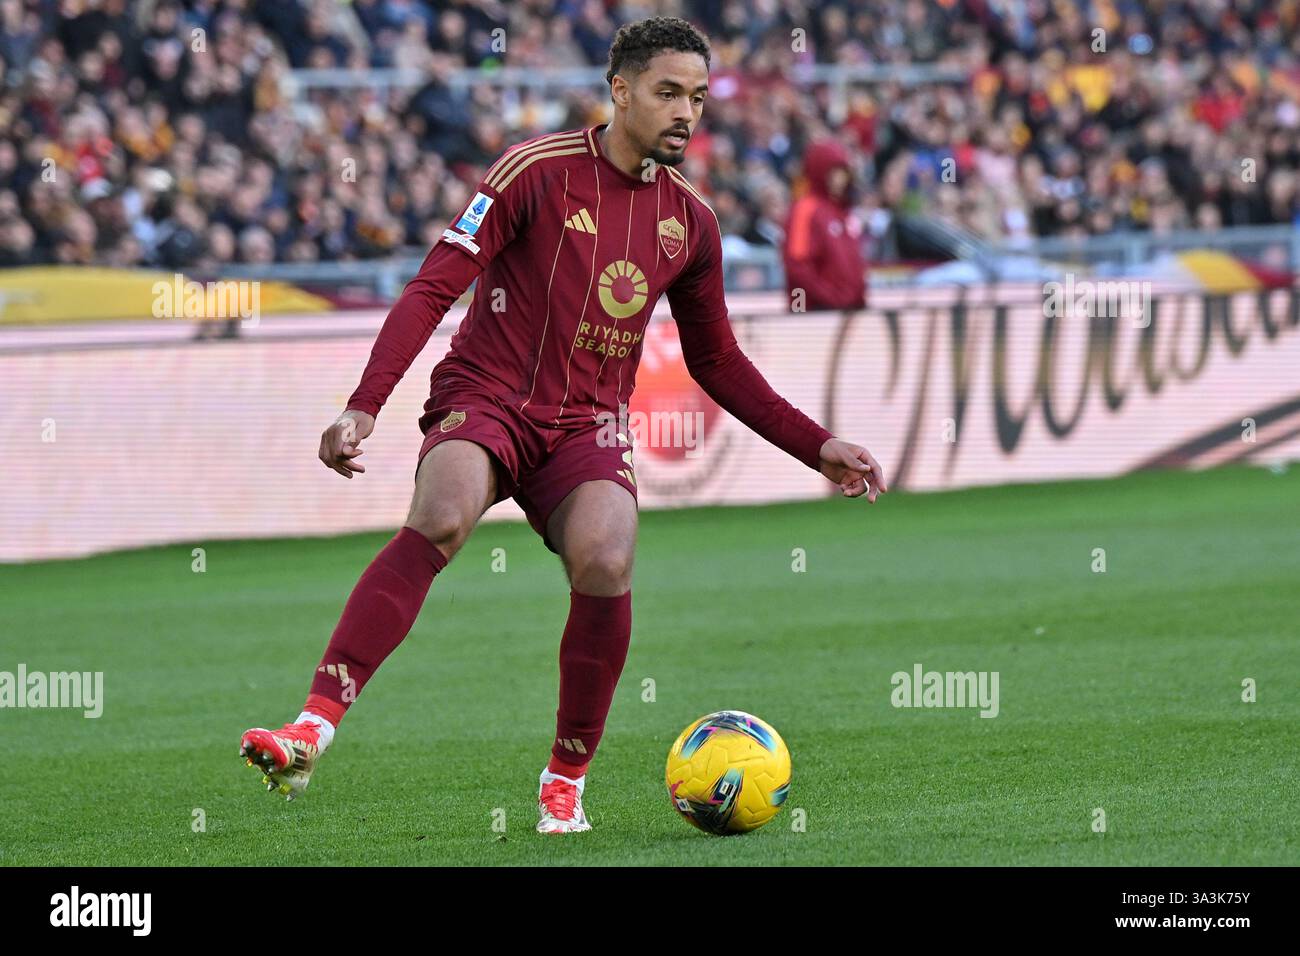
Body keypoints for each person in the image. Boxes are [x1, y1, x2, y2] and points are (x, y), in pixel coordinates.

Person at [239, 16, 886, 835]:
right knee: (440, 515)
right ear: (620, 92)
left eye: (696, 96)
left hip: (587, 427)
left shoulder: (691, 224)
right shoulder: (533, 172)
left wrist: (816, 445)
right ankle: (311, 729)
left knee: (608, 560)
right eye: (667, 93)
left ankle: (564, 780)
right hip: (491, 394)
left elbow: (716, 361)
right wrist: (365, 402)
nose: (686, 112)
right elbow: (434, 286)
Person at [782, 139, 868, 311]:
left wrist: (857, 297)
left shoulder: (844, 212)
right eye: (833, 172)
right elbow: (797, 266)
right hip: (815, 312)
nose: (839, 180)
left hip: (848, 311)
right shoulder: (805, 209)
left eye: (843, 173)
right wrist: (826, 299)